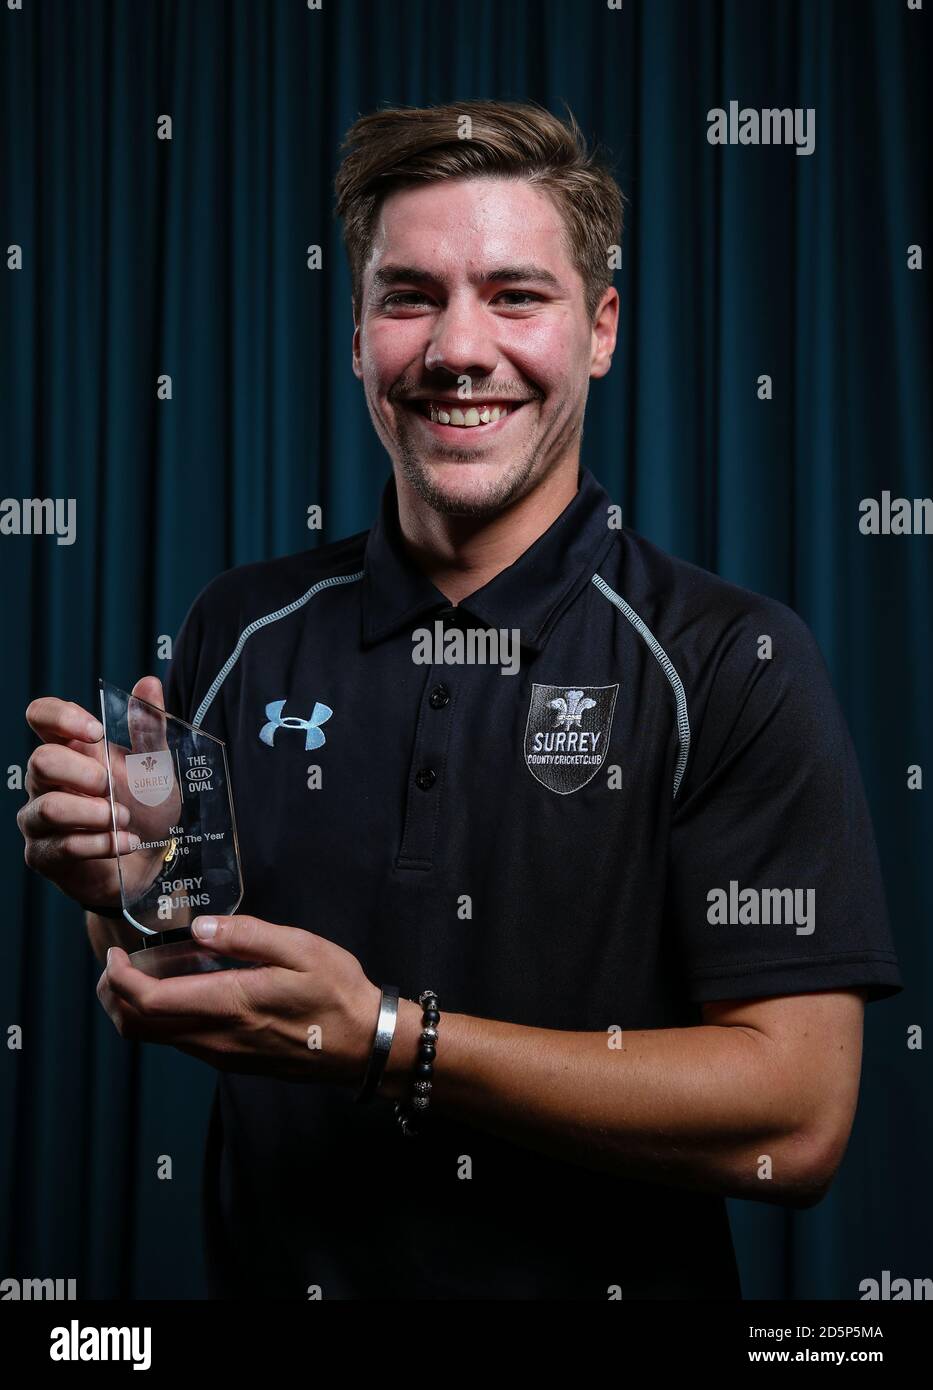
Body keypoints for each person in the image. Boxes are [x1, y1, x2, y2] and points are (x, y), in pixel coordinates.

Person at [17, 100, 902, 1300]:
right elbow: (179, 964)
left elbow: (797, 1120)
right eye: (411, 296)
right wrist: (132, 882)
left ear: (601, 331)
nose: (457, 349)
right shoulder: (241, 623)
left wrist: (391, 1040)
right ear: (357, 333)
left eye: (515, 295)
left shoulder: (732, 660)